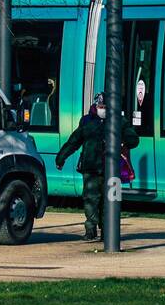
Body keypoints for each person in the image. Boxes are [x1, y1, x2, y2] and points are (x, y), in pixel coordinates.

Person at [56, 92, 139, 241]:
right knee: (90, 199)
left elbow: (133, 139)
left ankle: (108, 230)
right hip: (91, 167)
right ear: (96, 105)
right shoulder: (87, 121)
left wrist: (125, 138)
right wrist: (61, 157)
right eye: (101, 106)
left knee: (112, 201)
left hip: (113, 169)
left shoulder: (119, 121)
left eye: (106, 107)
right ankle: (90, 229)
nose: (103, 109)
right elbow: (74, 141)